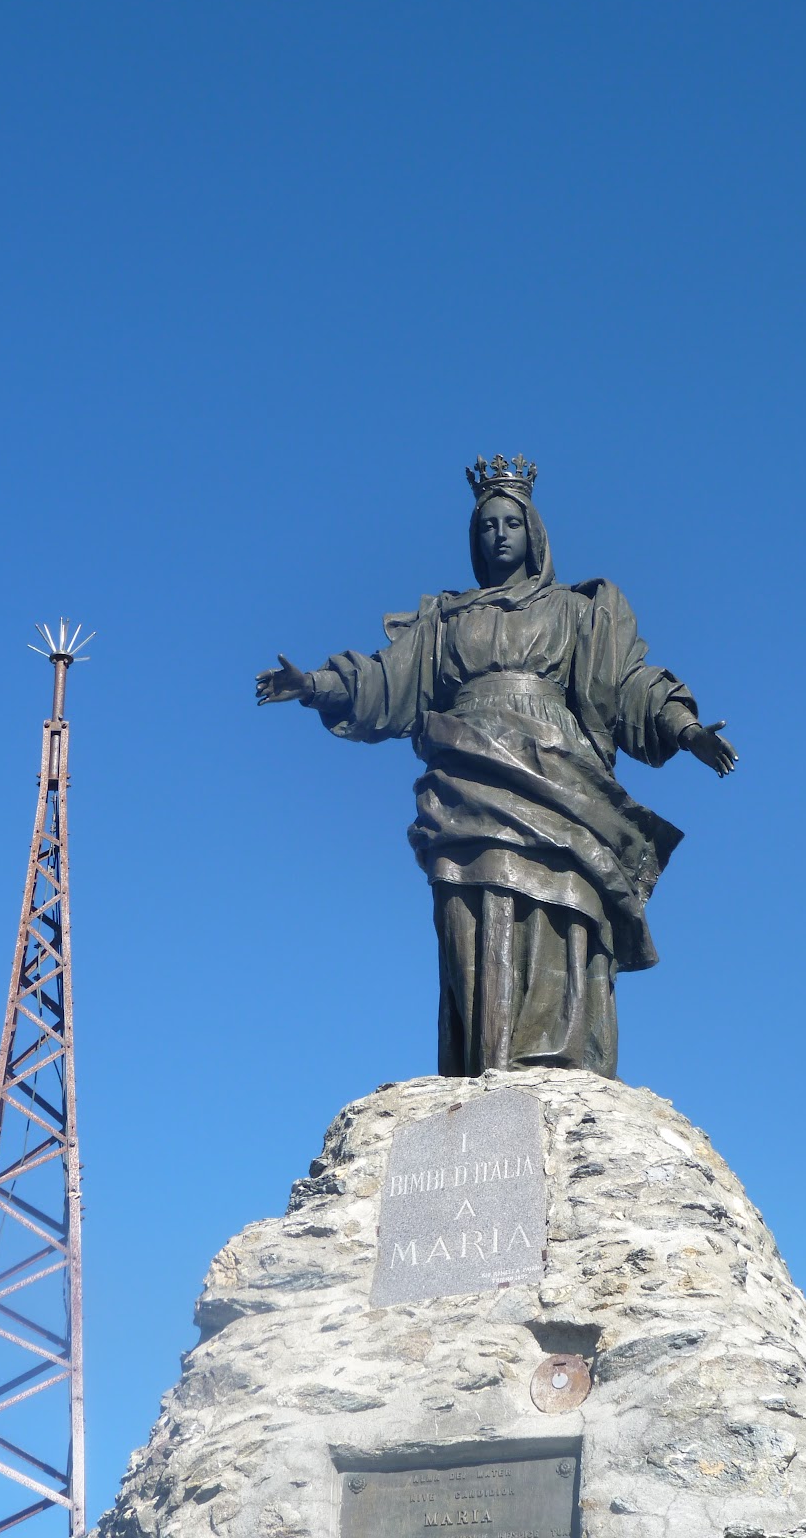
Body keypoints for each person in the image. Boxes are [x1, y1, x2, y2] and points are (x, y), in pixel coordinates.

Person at [255, 456, 737, 1079]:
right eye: (487, 526)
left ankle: (555, 1063)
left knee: (560, 906)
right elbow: (387, 679)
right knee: (470, 902)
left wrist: (685, 727)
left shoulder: (576, 612)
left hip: (557, 775)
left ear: (533, 532)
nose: (500, 535)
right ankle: (483, 1061)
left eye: (512, 522)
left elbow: (629, 682)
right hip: (466, 778)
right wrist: (318, 684)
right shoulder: (447, 622)